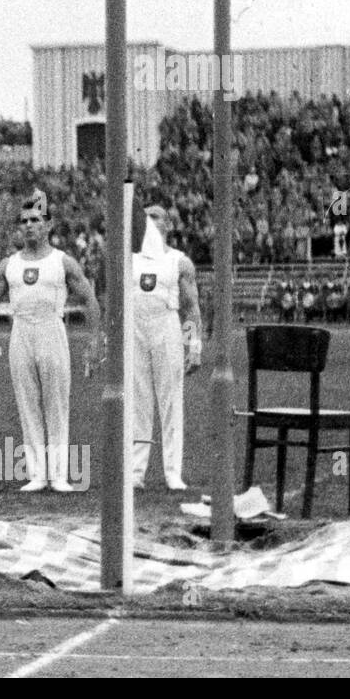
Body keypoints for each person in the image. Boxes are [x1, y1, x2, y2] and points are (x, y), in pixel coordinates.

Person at [0, 191, 102, 493]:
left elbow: (89, 299)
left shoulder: (63, 262)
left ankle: (59, 474)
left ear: (48, 226)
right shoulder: (9, 264)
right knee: (28, 404)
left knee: (56, 404)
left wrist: (94, 339)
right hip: (21, 330)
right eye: (24, 222)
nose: (29, 226)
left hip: (51, 328)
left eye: (35, 220)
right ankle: (37, 474)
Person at [132, 206, 202, 491]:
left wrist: (193, 346)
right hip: (135, 329)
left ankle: (173, 472)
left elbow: (191, 308)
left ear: (169, 224)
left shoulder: (179, 262)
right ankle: (136, 471)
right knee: (138, 404)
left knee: (171, 401)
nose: (149, 219)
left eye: (156, 216)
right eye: (146, 215)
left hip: (166, 326)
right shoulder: (130, 259)